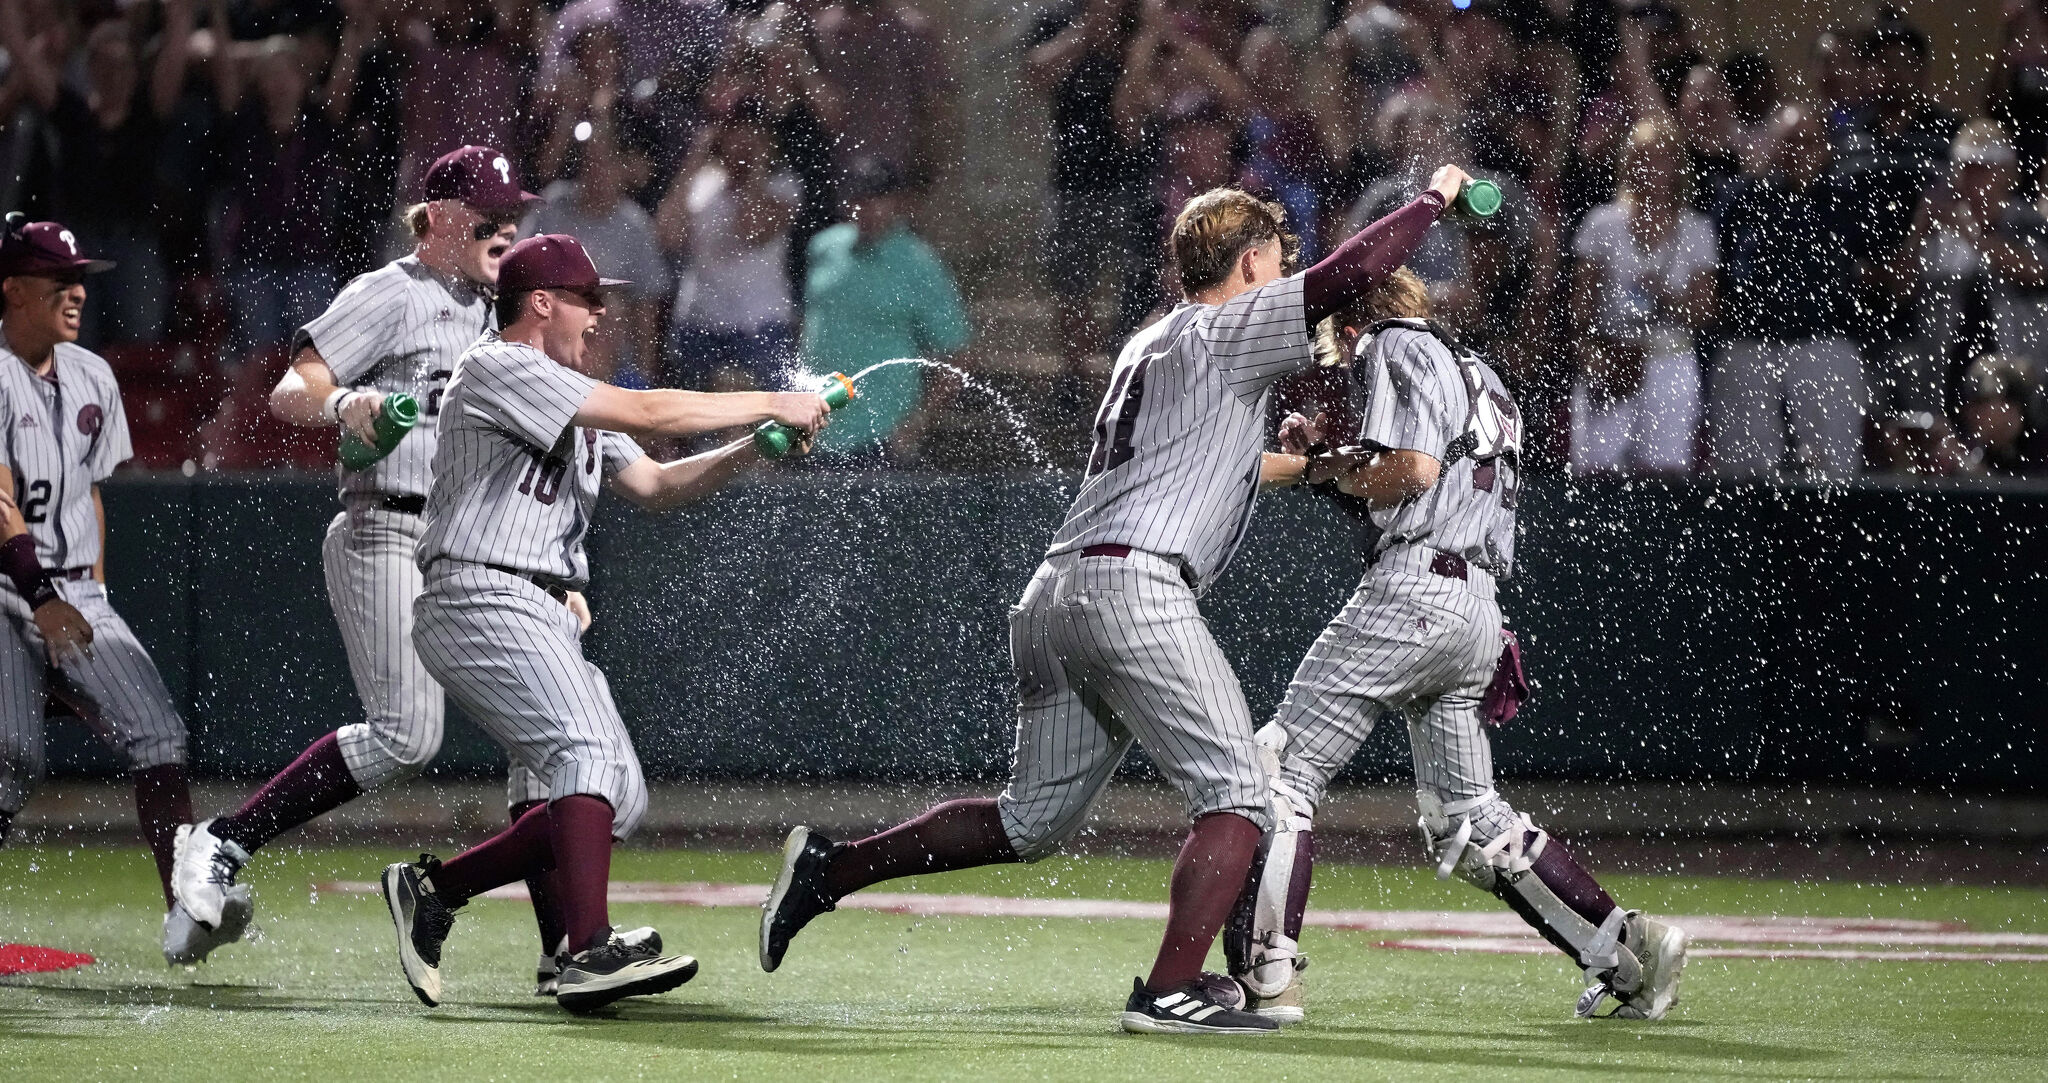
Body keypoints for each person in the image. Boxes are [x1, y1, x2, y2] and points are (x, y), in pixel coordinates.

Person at [759, 169, 1468, 1035]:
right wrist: (1433, 200)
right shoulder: (1228, 326)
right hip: (1135, 589)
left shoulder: (1152, 341)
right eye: (1276, 260)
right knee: (1243, 794)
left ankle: (829, 870)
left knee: (1029, 821)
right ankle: (1170, 988)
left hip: (1058, 591)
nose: (1285, 274)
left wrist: (1316, 464)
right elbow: (1347, 276)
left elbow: (1217, 459)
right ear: (1249, 262)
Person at [171, 147, 591, 990]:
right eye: (488, 215)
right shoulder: (392, 292)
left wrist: (560, 574)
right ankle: (224, 839)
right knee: (408, 733)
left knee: (550, 736)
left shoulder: (502, 312)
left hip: (485, 552)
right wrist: (343, 403)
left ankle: (567, 949)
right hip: (390, 527)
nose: (506, 228)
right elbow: (291, 390)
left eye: (513, 215)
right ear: (437, 219)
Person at [378, 233, 829, 1014]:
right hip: (480, 590)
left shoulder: (569, 390)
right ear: (540, 303)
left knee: (617, 792)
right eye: (586, 298)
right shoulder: (498, 365)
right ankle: (587, 949)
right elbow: (651, 409)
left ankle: (442, 892)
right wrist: (771, 399)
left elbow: (654, 482)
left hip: (539, 606)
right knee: (585, 756)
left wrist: (752, 448)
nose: (600, 313)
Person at [1227, 267, 1688, 1024]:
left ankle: (1264, 979)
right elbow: (1423, 490)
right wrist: (1332, 464)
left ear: (1351, 317)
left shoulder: (1389, 342)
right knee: (1471, 821)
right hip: (1474, 610)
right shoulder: (1480, 372)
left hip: (1414, 592)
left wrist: (1317, 469)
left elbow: (1410, 474)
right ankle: (1630, 952)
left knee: (1279, 772)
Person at [0, 215, 212, 961]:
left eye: (81, 280)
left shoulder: (92, 373)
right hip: (7, 591)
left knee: (160, 736)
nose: (77, 293)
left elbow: (88, 493)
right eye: (60, 280)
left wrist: (91, 592)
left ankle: (187, 913)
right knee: (12, 759)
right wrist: (44, 601)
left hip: (74, 593)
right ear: (13, 290)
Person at [1710, 105, 1868, 477]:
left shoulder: (1845, 201)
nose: (1799, 151)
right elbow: (1714, 267)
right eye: (1789, 142)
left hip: (1822, 342)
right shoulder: (1742, 198)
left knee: (1833, 470)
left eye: (1808, 142)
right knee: (1743, 471)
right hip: (1751, 343)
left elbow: (1872, 272)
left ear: (1826, 148)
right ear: (1773, 146)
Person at [1567, 118, 1715, 475]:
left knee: (1665, 472)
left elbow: (1705, 311)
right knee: (1596, 470)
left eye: (1661, 157)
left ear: (1677, 166)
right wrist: (1590, 353)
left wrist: (1667, 297)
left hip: (1670, 359)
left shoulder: (1696, 228)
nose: (1651, 167)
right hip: (1613, 353)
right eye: (1642, 157)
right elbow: (1580, 304)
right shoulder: (1602, 223)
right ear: (1628, 163)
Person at [799, 158, 970, 464]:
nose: (868, 208)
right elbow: (808, 323)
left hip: (882, 433)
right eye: (860, 198)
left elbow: (956, 352)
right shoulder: (824, 247)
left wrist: (918, 422)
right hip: (816, 429)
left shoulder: (917, 262)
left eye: (878, 198)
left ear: (897, 202)